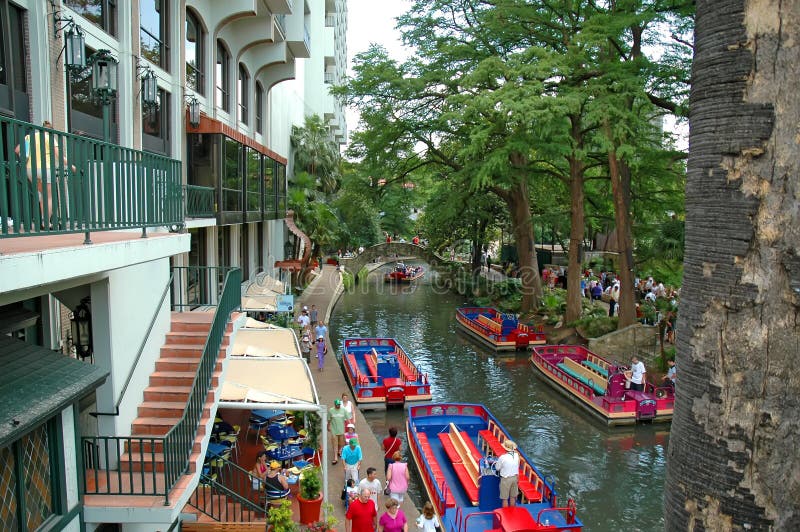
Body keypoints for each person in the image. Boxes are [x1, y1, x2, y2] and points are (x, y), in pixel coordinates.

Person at [494, 440, 520, 507]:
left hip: (506, 479)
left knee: (505, 498)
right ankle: (512, 511)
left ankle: (505, 513)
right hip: (515, 478)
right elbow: (517, 465)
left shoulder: (503, 457)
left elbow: (497, 468)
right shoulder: (517, 455)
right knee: (512, 497)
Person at [328, 399, 347, 463]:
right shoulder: (331, 410)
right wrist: (328, 426)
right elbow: (329, 419)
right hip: (334, 430)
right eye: (337, 405)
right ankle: (335, 457)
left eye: (339, 404)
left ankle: (339, 451)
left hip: (341, 429)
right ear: (335, 404)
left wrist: (351, 426)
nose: (338, 406)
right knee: (335, 443)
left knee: (341, 443)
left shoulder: (343, 410)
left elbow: (348, 418)